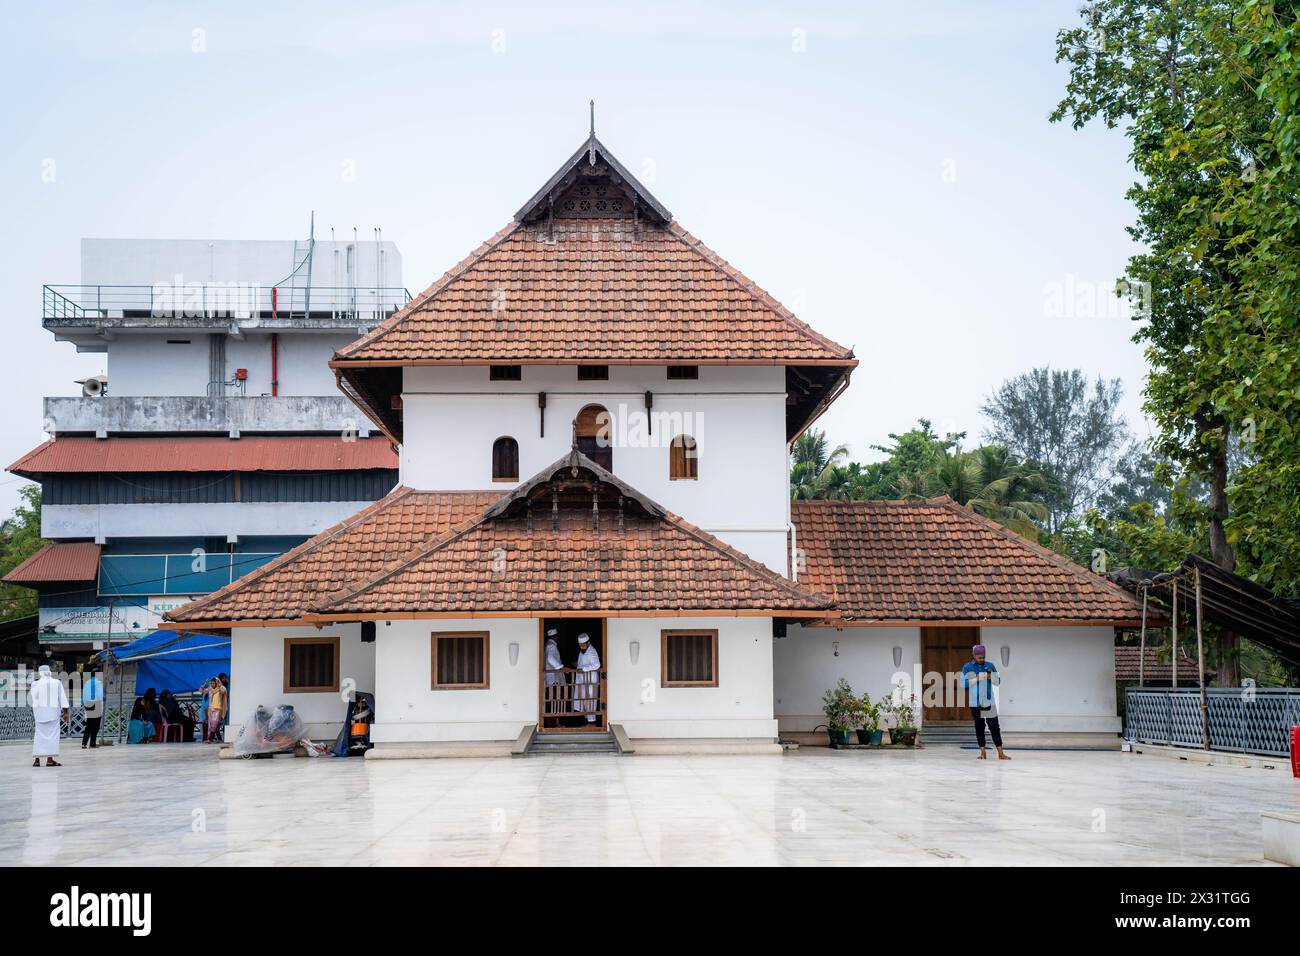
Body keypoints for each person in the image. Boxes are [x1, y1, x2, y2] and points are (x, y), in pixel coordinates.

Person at [961, 644, 1009, 761]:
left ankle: (1001, 753)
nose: (982, 660)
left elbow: (998, 682)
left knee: (994, 727)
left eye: (983, 657)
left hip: (989, 701)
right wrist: (976, 678)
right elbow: (963, 683)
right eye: (979, 657)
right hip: (975, 703)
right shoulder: (967, 667)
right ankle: (983, 752)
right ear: (973, 656)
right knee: (979, 727)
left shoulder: (990, 666)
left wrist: (989, 676)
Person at [30, 665, 69, 767]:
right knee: (52, 737)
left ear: (40, 672)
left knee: (38, 736)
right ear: (49, 671)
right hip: (52, 714)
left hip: (39, 714)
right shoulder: (56, 683)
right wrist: (65, 712)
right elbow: (62, 698)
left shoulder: (34, 684)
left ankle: (37, 760)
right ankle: (50, 760)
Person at [573, 632, 601, 724]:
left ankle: (591, 722)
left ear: (588, 643)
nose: (581, 647)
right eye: (580, 645)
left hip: (590, 680)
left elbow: (597, 665)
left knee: (590, 700)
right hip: (583, 680)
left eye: (583, 645)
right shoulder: (583, 651)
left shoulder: (592, 651)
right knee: (584, 701)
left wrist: (584, 669)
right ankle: (587, 722)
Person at [81, 671, 104, 749]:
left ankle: (84, 743)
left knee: (89, 725)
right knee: (96, 726)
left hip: (88, 704)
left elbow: (83, 695)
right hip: (96, 704)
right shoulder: (98, 683)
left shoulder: (87, 683)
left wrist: (85, 704)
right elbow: (100, 696)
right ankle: (92, 744)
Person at [204, 677, 227, 743]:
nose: (212, 684)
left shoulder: (220, 689)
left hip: (218, 709)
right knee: (214, 724)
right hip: (211, 709)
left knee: (214, 723)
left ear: (217, 683)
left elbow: (223, 691)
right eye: (211, 683)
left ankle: (209, 739)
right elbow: (201, 690)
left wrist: (219, 684)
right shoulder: (210, 689)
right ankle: (219, 739)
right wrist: (205, 684)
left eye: (213, 683)